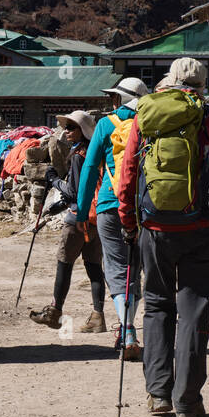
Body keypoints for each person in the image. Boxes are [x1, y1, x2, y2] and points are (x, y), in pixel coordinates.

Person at [115, 58, 209, 417]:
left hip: (155, 229)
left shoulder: (146, 119)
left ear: (170, 83)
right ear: (202, 85)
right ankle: (187, 401)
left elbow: (127, 176)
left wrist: (129, 223)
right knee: (194, 309)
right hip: (202, 228)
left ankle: (158, 394)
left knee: (158, 306)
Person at [74, 76, 149, 361]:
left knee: (116, 268)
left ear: (118, 99)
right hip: (143, 208)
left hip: (108, 205)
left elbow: (90, 170)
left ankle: (127, 329)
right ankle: (130, 325)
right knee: (136, 267)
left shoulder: (105, 125)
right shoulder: (151, 123)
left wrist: (82, 213)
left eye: (113, 97)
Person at [28, 110, 106, 333]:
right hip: (96, 216)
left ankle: (54, 312)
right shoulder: (96, 151)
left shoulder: (80, 154)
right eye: (66, 127)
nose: (67, 131)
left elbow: (73, 191)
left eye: (72, 127)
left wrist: (53, 181)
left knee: (64, 263)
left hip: (78, 217)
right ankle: (98, 317)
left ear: (83, 130)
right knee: (94, 268)